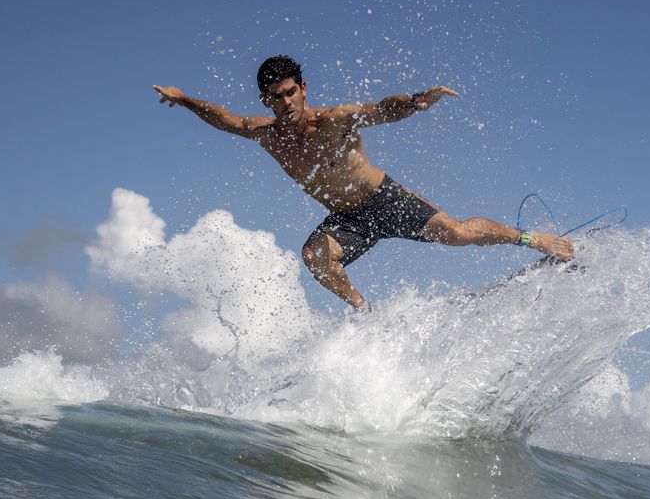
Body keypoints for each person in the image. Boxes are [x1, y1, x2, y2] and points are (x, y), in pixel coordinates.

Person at [154, 55, 573, 309]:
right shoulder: (267, 134)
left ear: (303, 88)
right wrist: (184, 99)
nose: (285, 102)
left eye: (290, 92)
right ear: (266, 100)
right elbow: (223, 118)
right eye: (275, 97)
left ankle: (533, 239)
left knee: (459, 234)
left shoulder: (333, 120)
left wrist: (415, 101)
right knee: (315, 257)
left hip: (384, 199)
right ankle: (364, 313)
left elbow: (381, 110)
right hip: (348, 219)